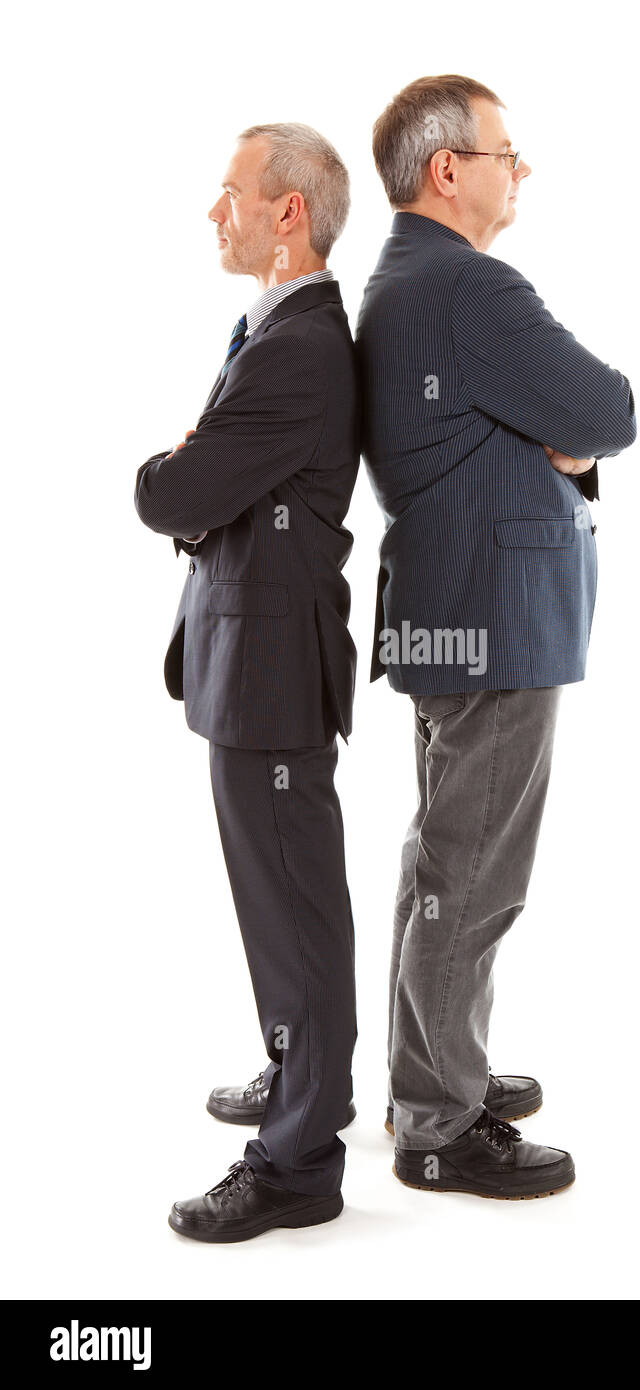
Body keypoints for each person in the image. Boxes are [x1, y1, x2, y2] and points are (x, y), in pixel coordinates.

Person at [356, 75, 637, 1200]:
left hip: (455, 608)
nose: (517, 171)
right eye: (504, 153)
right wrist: (561, 445)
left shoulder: (411, 284)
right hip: (491, 621)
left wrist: (554, 445)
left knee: (443, 858)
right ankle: (437, 1122)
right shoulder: (469, 288)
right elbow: (605, 409)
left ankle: (427, 1074)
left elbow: (560, 429)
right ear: (446, 170)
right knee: (470, 871)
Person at [135, 123, 359, 1242]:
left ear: (287, 214)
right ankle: (297, 1075)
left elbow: (175, 496)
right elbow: (218, 490)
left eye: (229, 194)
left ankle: (300, 1159)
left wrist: (174, 470)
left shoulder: (300, 347)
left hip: (271, 672)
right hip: (248, 663)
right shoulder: (271, 336)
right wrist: (203, 472)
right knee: (274, 910)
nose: (211, 213)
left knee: (298, 911)